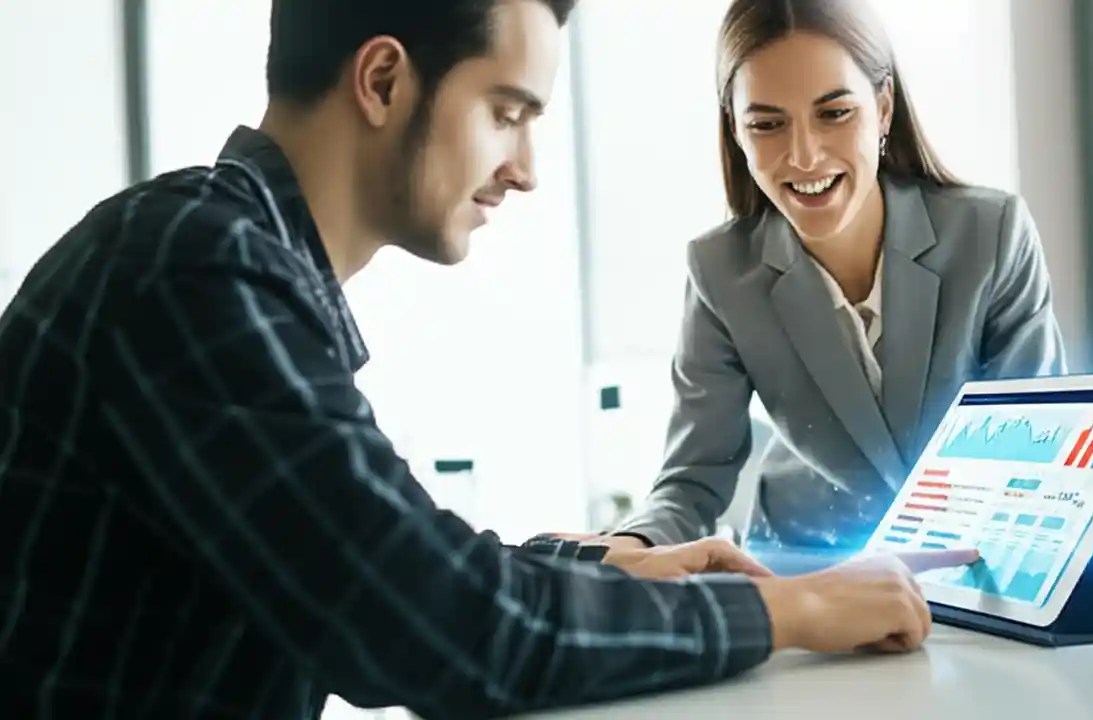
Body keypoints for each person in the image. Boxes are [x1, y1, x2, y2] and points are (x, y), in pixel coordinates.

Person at [0, 1, 980, 718]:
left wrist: (612, 569)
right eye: (507, 111)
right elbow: (428, 628)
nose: (523, 167)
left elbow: (388, 561)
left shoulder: (223, 254)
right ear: (382, 80)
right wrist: (786, 609)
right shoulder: (194, 271)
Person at [594, 0, 1093, 602]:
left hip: (968, 580)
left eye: (834, 112)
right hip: (803, 585)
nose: (803, 154)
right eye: (766, 124)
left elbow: (1036, 464)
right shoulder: (719, 271)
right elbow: (692, 479)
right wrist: (625, 549)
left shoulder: (990, 235)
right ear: (734, 129)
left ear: (884, 107)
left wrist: (1063, 571)